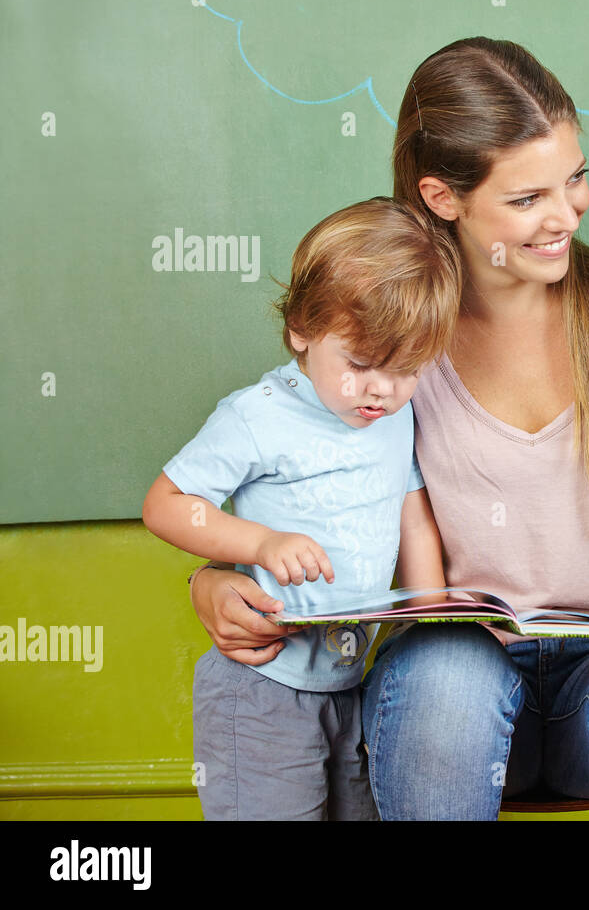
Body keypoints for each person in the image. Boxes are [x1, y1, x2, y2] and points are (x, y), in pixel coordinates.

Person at [188, 37, 589, 820]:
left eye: (574, 179)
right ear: (442, 197)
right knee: (448, 671)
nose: (565, 214)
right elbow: (297, 483)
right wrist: (213, 579)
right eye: (526, 199)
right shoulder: (392, 346)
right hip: (451, 687)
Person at [142, 197, 459, 819]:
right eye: (361, 365)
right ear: (301, 331)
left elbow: (413, 514)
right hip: (262, 688)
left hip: (349, 684)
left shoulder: (395, 417)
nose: (381, 391)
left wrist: (431, 623)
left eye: (407, 370)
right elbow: (166, 504)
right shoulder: (257, 416)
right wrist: (260, 545)